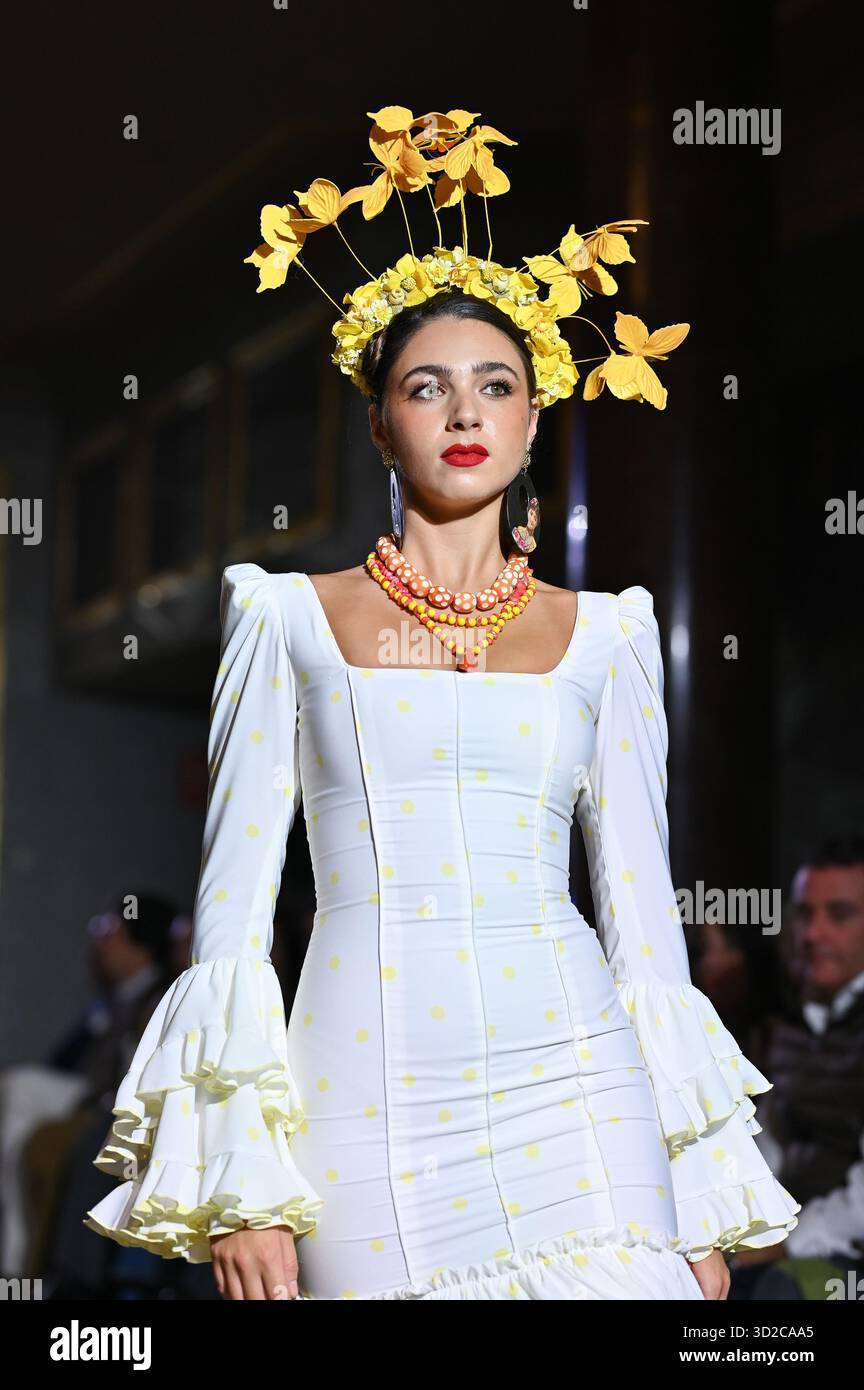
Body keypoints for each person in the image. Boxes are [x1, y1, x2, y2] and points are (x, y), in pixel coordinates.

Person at [83, 103, 800, 1300]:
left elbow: (641, 922)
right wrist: (238, 1183)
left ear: (531, 418)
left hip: (584, 1085)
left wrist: (702, 1174)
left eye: (494, 385)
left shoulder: (612, 632)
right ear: (379, 421)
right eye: (427, 385)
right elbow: (233, 918)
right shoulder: (284, 616)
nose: (464, 411)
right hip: (367, 1096)